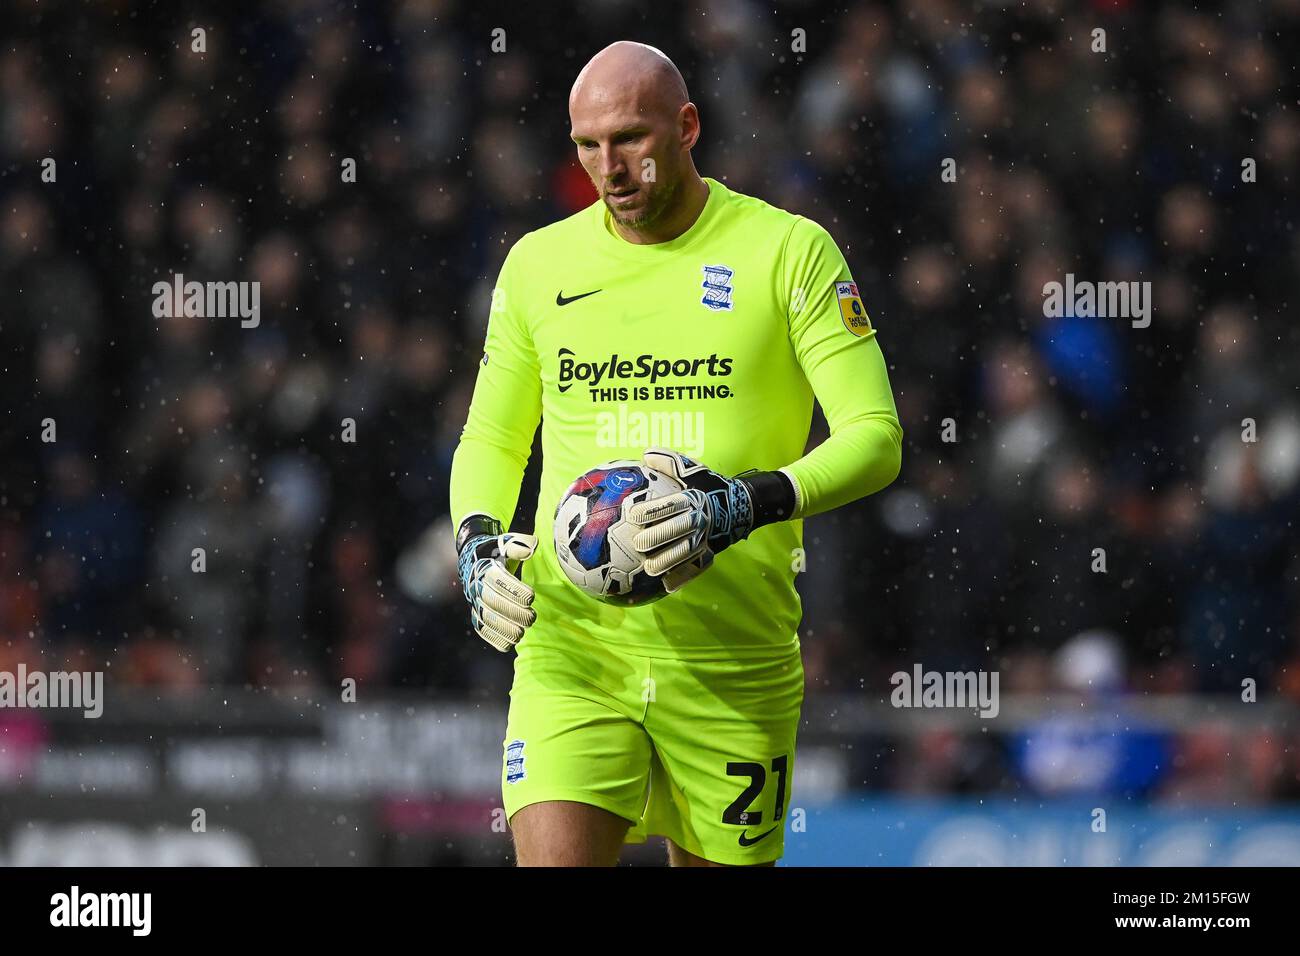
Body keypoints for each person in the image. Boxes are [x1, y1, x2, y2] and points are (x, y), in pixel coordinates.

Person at [449, 40, 902, 866]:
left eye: (630, 139)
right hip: (573, 650)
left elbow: (876, 438)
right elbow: (491, 437)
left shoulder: (788, 253)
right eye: (587, 145)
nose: (609, 168)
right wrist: (475, 544)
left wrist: (740, 504)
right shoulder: (537, 265)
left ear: (688, 126)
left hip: (733, 660)